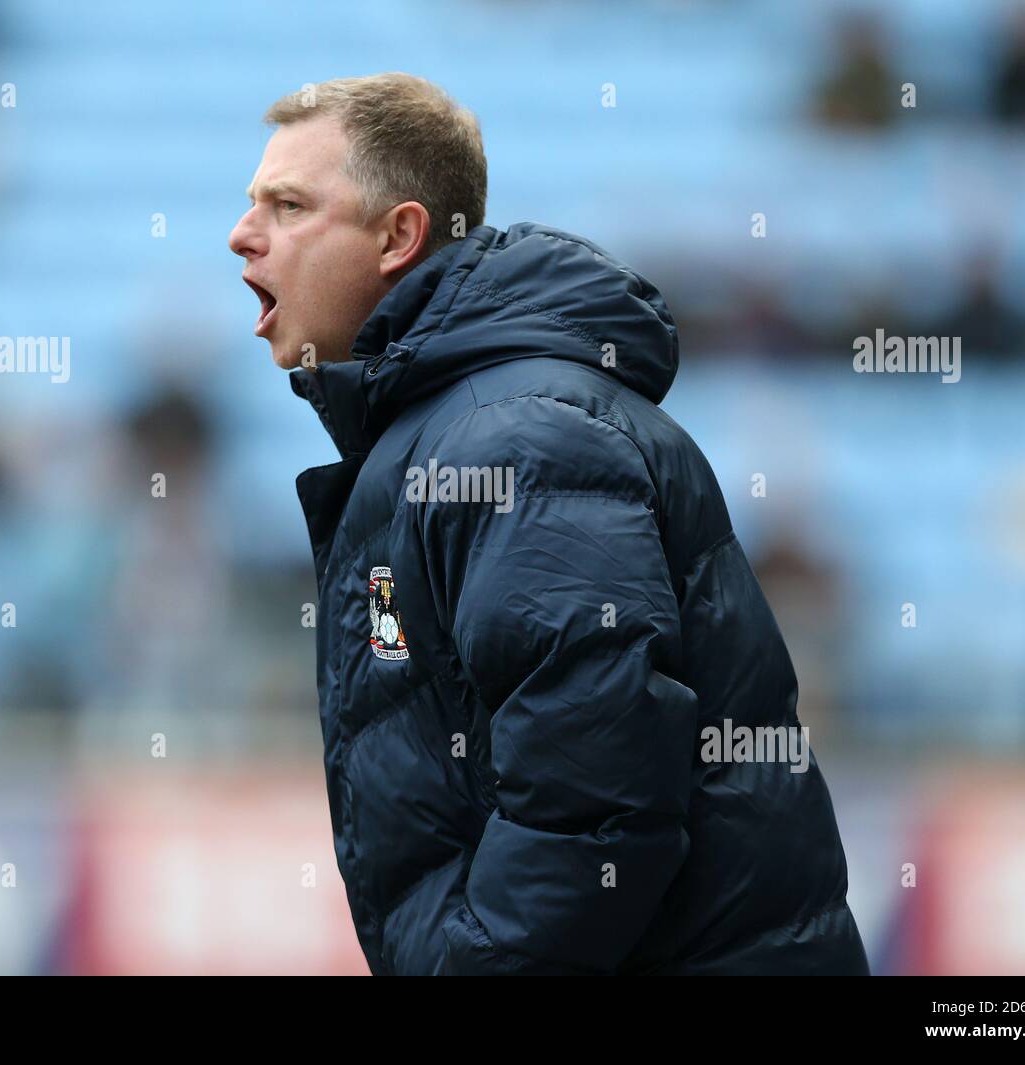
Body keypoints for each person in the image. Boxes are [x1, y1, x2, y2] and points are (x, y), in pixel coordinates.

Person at [228, 72, 869, 976]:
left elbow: (594, 808)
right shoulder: (455, 428)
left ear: (399, 236)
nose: (241, 233)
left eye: (288, 205)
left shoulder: (513, 439)